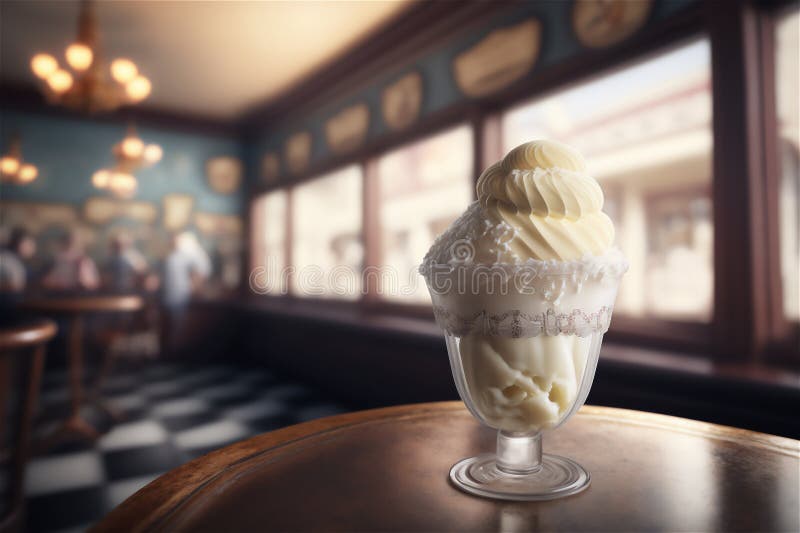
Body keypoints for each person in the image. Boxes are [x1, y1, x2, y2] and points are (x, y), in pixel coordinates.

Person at [0, 227, 36, 293]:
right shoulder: (8, 261)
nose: (33, 248)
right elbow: (16, 286)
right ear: (18, 243)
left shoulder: (17, 261)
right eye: (29, 244)